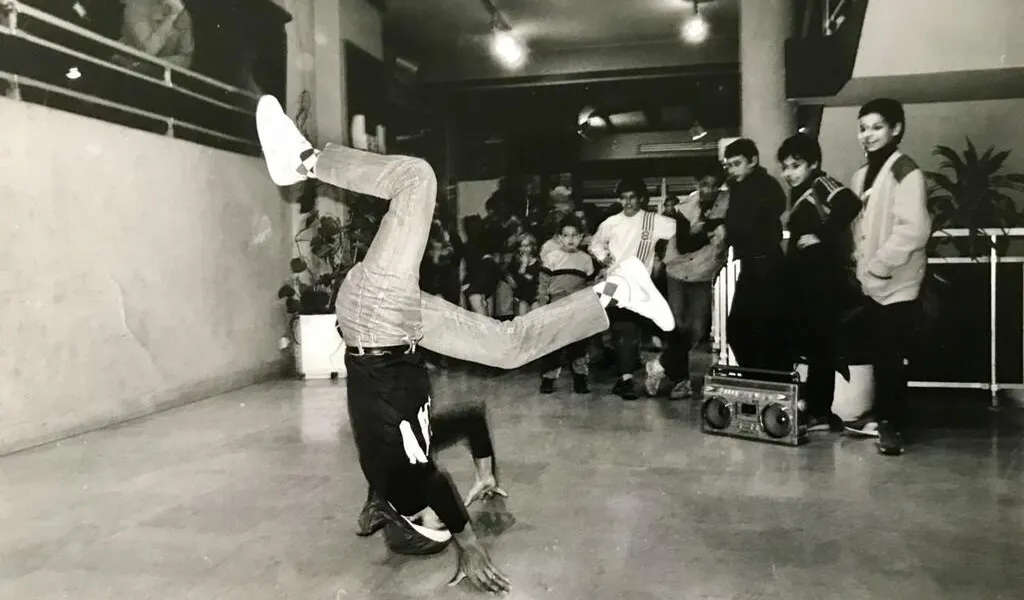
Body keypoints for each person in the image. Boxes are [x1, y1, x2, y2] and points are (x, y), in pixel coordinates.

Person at [254, 95, 674, 593]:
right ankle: (615, 291)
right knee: (508, 346)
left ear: (416, 521)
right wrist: (486, 473)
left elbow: (433, 487)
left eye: (432, 522)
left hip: (376, 319)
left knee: (417, 180)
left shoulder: (401, 483)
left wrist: (466, 542)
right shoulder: (407, 459)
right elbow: (470, 418)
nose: (440, 515)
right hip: (399, 325)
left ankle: (305, 162)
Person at [849, 98, 931, 456]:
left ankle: (892, 426)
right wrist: (861, 263)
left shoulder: (906, 171)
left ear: (896, 129)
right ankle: (884, 418)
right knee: (880, 354)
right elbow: (859, 226)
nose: (868, 135)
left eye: (876, 127)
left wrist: (879, 264)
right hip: (871, 281)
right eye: (863, 127)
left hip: (897, 282)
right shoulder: (860, 175)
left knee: (890, 357)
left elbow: (914, 230)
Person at [776, 133, 863, 432]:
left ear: (813, 164)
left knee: (821, 348)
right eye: (785, 167)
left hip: (823, 283)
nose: (789, 173)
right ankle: (814, 410)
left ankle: (821, 412)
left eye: (796, 165)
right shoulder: (801, 192)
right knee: (814, 348)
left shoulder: (820, 184)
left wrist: (822, 236)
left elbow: (850, 203)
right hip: (805, 284)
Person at [645, 166, 730, 399]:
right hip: (678, 271)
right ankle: (681, 381)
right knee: (678, 326)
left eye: (713, 185)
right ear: (697, 184)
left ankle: (659, 366)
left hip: (703, 272)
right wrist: (712, 229)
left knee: (697, 329)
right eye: (704, 184)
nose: (708, 190)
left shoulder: (728, 203)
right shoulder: (685, 208)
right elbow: (684, 244)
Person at [588, 177, 677, 399]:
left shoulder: (652, 220)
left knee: (629, 331)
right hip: (614, 282)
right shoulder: (611, 222)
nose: (627, 202)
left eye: (632, 198)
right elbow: (595, 243)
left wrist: (663, 257)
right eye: (623, 198)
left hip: (638, 285)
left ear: (641, 199)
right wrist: (603, 256)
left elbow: (679, 229)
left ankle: (625, 375)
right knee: (622, 330)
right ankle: (625, 377)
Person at [722, 138, 791, 371]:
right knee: (747, 330)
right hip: (757, 263)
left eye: (736, 163)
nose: (732, 170)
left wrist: (728, 232)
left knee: (749, 330)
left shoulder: (760, 187)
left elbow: (744, 225)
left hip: (764, 264)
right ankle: (762, 381)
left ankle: (763, 381)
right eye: (729, 165)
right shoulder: (749, 187)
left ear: (753, 161)